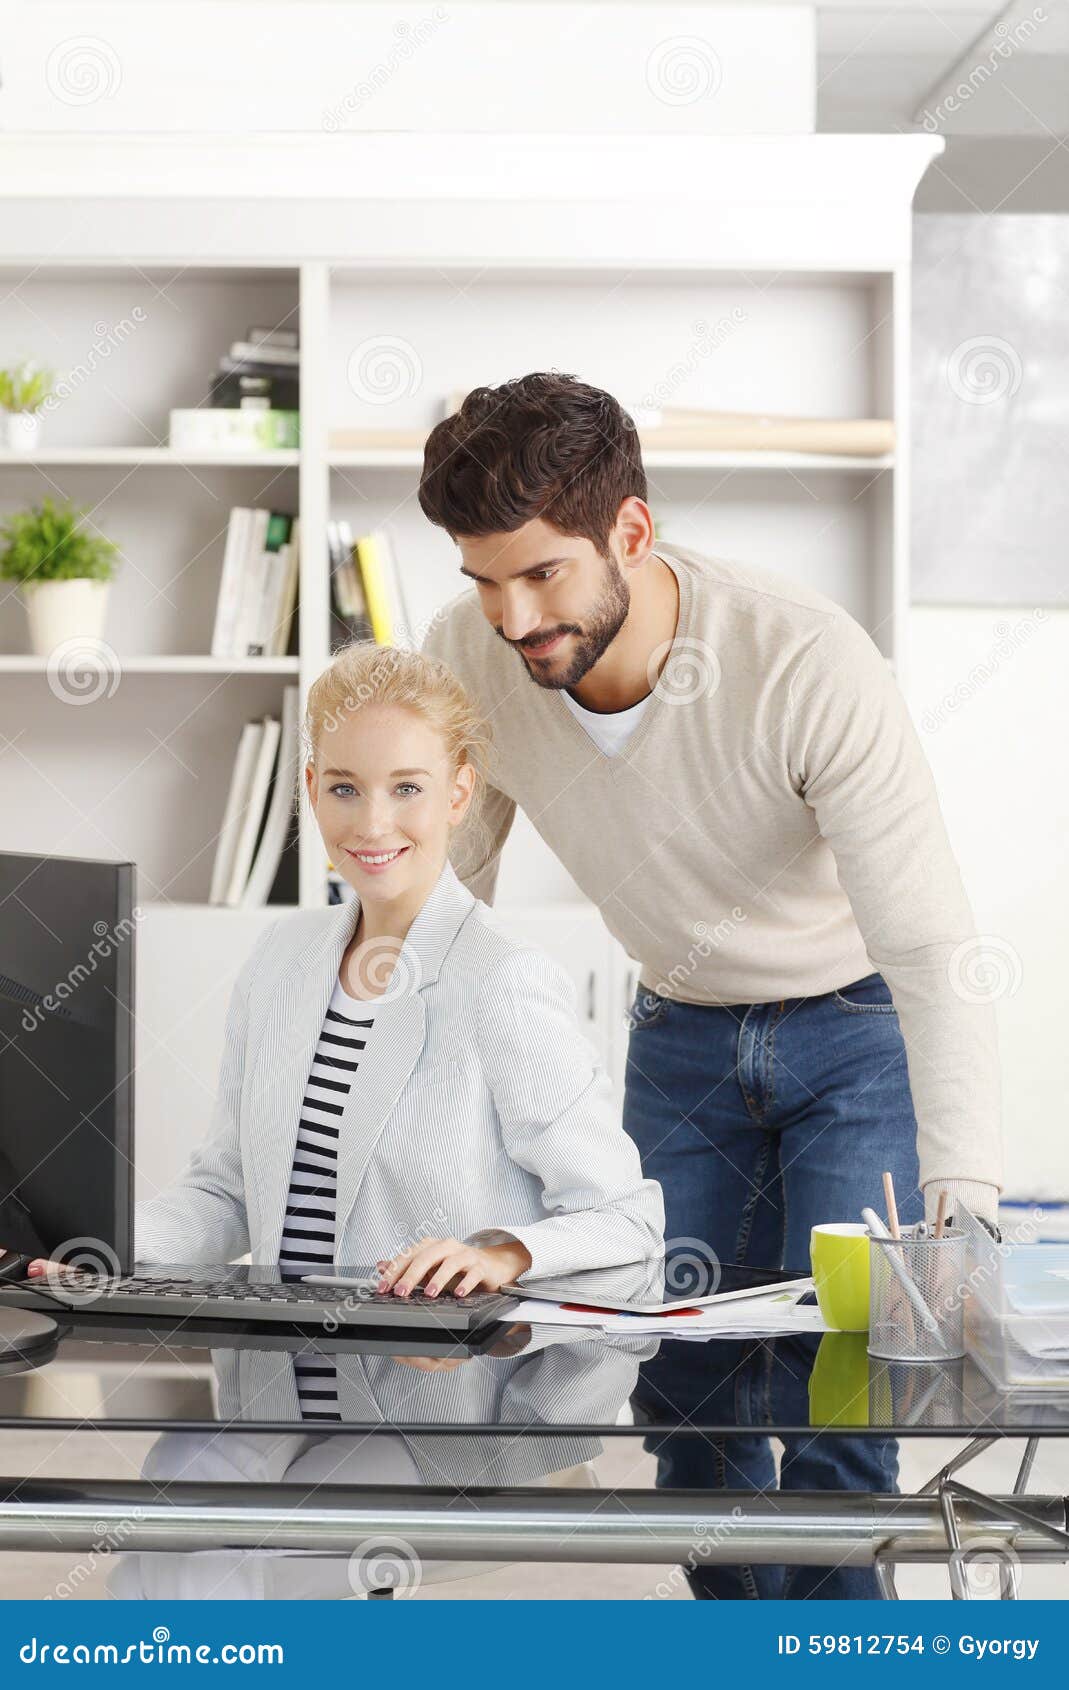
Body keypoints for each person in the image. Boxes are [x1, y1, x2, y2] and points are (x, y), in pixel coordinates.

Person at [417, 371, 1003, 1600]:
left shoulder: (801, 659)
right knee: (683, 1402)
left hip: (857, 1036)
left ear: (630, 531)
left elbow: (930, 941)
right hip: (678, 1037)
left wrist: (962, 1200)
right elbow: (439, 910)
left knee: (846, 1401)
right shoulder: (469, 656)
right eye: (482, 578)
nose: (512, 616)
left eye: (541, 575)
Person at [26, 642, 663, 1421]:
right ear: (309, 791)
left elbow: (627, 1219)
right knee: (160, 1525)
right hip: (270, 1403)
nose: (372, 823)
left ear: (459, 792)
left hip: (428, 1416)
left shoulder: (502, 980)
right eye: (343, 788)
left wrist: (500, 1254)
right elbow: (225, 1191)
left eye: (406, 788)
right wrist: (97, 1253)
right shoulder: (280, 960)